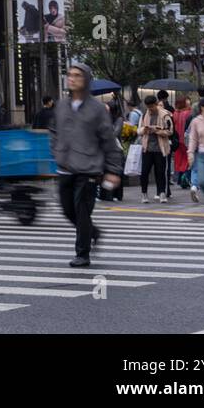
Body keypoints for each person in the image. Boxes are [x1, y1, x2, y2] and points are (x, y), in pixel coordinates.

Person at [49, 64, 123, 268]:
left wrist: (113, 170)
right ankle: (94, 232)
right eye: (70, 75)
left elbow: (109, 141)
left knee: (82, 211)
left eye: (77, 76)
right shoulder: (61, 105)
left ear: (86, 80)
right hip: (65, 167)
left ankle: (82, 253)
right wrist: (56, 151)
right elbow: (54, 131)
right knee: (67, 210)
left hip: (89, 169)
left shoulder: (97, 109)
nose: (72, 79)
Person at [136, 95, 172, 204]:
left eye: (151, 107)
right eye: (148, 107)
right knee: (144, 172)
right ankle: (144, 193)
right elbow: (138, 130)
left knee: (160, 172)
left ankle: (161, 193)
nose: (150, 109)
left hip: (160, 148)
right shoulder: (144, 115)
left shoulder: (165, 115)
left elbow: (170, 131)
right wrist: (144, 130)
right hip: (147, 148)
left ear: (156, 104)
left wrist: (156, 131)